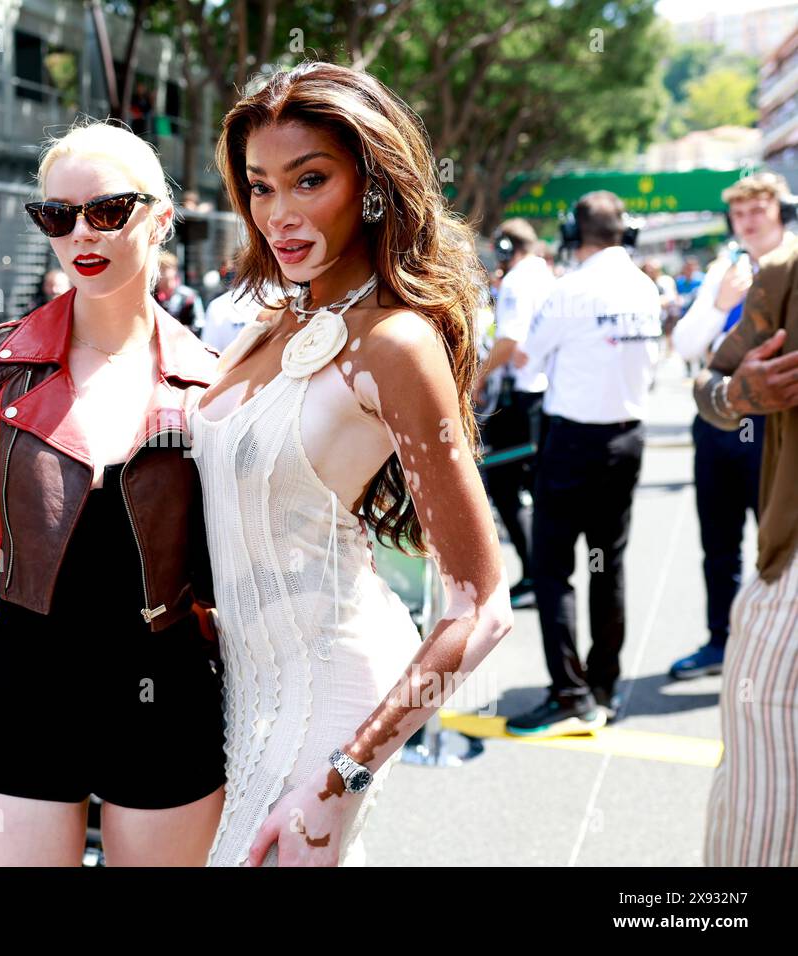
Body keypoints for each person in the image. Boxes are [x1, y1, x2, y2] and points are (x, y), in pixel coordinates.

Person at [193, 60, 512, 867]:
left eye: (310, 180)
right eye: (260, 186)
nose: (280, 213)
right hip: (241, 685)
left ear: (373, 186)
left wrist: (346, 775)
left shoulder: (393, 342)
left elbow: (481, 606)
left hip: (334, 689)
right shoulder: (260, 330)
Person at [0, 119, 226, 866]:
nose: (81, 233)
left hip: (166, 692)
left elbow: (241, 573)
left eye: (107, 211)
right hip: (31, 685)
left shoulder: (215, 380)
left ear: (161, 218)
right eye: (57, 216)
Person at [505, 191, 663, 735]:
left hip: (572, 443)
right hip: (627, 440)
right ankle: (603, 686)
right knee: (606, 563)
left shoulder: (569, 289)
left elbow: (526, 356)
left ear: (574, 235)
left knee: (552, 571)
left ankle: (570, 694)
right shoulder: (646, 286)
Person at [693, 220, 798, 867]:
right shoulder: (786, 274)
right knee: (760, 824)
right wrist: (737, 394)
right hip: (791, 578)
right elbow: (709, 386)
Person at [669, 174, 794, 681]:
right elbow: (684, 346)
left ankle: (782, 649)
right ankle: (721, 640)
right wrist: (720, 302)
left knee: (779, 538)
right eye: (740, 213)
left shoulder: (793, 264)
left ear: (779, 210)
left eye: (757, 210)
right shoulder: (726, 270)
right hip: (720, 422)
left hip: (777, 427)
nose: (749, 221)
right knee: (718, 542)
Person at [475, 219, 555, 610]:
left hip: (520, 398)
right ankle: (541, 573)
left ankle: (536, 574)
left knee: (505, 487)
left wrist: (475, 375)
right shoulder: (545, 275)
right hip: (543, 397)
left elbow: (508, 343)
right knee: (532, 488)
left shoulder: (519, 283)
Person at [200, 257, 267, 352]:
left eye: (232, 269)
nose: (230, 274)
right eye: (225, 271)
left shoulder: (218, 305)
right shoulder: (218, 304)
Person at [154, 250, 205, 334]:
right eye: (158, 269)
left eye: (163, 268)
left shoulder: (189, 296)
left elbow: (199, 324)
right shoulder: (151, 297)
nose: (159, 273)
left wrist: (181, 332)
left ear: (174, 269)